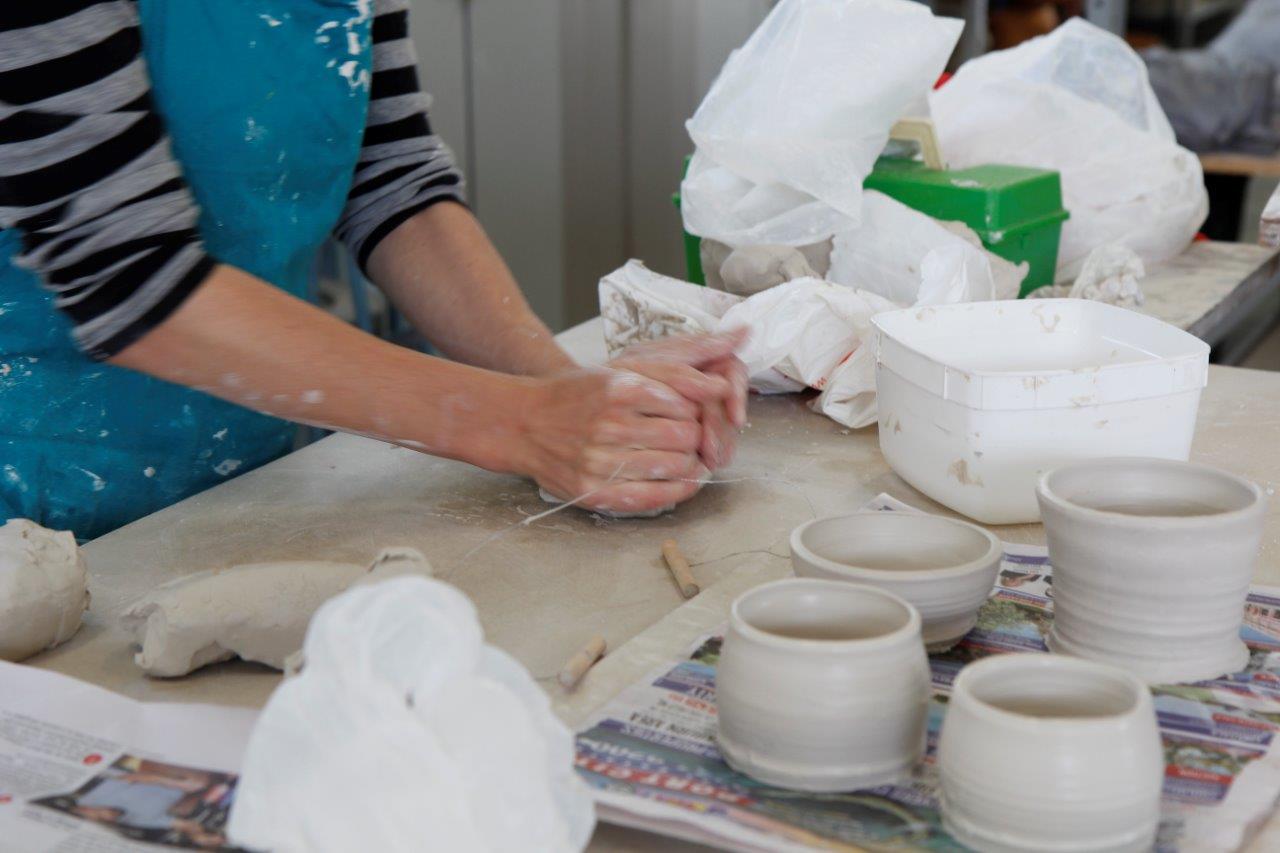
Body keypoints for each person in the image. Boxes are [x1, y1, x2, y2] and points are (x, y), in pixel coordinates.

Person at [0, 1, 747, 541]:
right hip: (28, 483)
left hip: (227, 466)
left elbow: (391, 175)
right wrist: (519, 423)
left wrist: (562, 393)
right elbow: (125, 274)